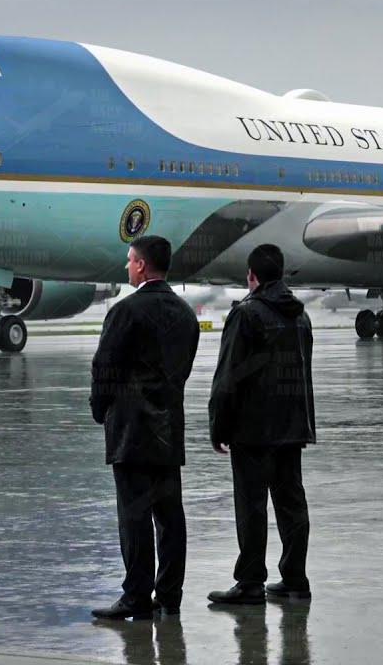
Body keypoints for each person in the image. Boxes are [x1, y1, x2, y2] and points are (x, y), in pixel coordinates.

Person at [90, 235, 201, 619]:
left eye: (128, 261)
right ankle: (169, 596)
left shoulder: (126, 311)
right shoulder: (186, 314)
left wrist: (100, 409)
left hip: (132, 430)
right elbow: (182, 370)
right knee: (170, 517)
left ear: (140, 265)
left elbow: (104, 367)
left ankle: (136, 595)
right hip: (168, 426)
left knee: (134, 516)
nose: (125, 267)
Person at [207, 244, 317, 605]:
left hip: (253, 430)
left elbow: (228, 377)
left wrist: (218, 426)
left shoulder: (247, 314)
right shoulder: (300, 316)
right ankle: (296, 580)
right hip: (292, 426)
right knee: (291, 503)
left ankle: (251, 582)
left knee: (252, 507)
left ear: (251, 276)